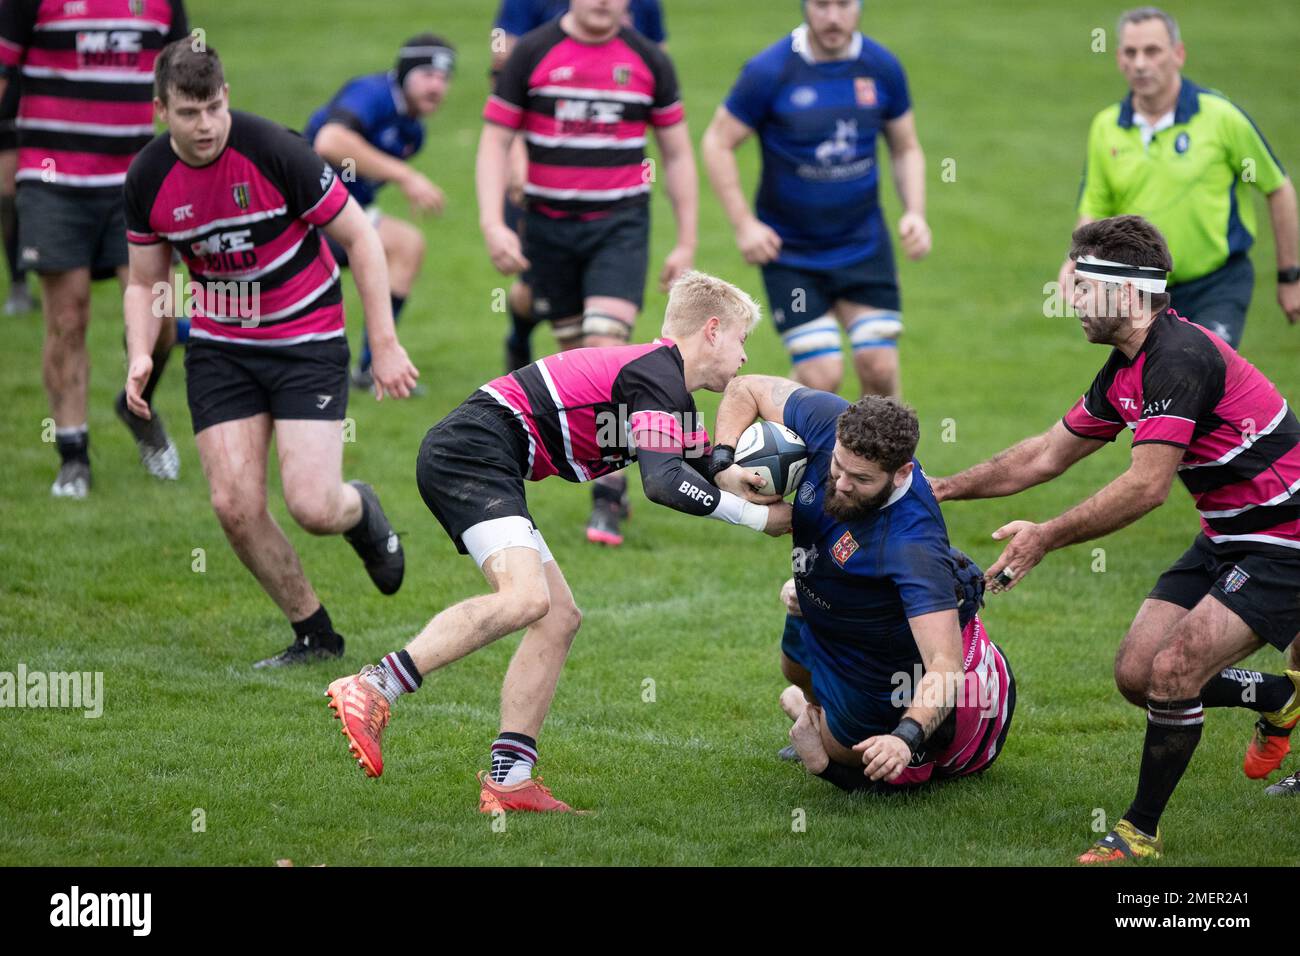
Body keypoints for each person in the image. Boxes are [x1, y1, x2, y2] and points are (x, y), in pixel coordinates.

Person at [324, 271, 791, 813]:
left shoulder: (670, 392)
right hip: (471, 451)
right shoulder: (655, 375)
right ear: (712, 330)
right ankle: (376, 685)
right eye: (741, 340)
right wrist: (759, 521)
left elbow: (704, 472)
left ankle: (510, 779)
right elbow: (664, 483)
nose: (743, 356)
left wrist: (791, 501)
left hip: (489, 456)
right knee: (526, 598)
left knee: (558, 617)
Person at [931, 216, 1300, 860]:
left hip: (1286, 539)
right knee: (1137, 675)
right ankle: (1278, 693)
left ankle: (1139, 831)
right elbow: (1045, 455)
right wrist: (943, 487)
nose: (1070, 299)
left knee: (1176, 669)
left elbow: (1146, 487)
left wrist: (1045, 535)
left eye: (1083, 286)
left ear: (1127, 294)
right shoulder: (1123, 365)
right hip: (1228, 536)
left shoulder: (1179, 359)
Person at [122, 41, 420, 669]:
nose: (204, 125)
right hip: (221, 350)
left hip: (305, 340)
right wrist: (140, 354)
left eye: (213, 107)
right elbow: (146, 281)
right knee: (233, 504)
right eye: (187, 112)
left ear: (226, 96)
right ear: (160, 111)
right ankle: (314, 633)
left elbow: (362, 239)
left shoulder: (274, 150)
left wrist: (385, 343)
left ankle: (359, 507)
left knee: (313, 506)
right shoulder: (149, 177)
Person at [712, 376, 1015, 792]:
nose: (840, 483)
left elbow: (945, 665)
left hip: (878, 659)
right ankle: (813, 711)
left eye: (861, 479)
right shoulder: (829, 422)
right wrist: (724, 463)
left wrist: (902, 738)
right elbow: (744, 387)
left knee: (846, 750)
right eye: (837, 465)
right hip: (822, 603)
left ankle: (830, 728)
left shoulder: (913, 545)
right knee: (792, 666)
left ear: (901, 473)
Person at [477, 0, 698, 548]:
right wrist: (492, 222)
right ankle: (608, 469)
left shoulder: (649, 60)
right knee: (579, 356)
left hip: (619, 225)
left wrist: (687, 237)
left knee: (606, 342)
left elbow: (675, 153)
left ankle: (609, 494)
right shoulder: (532, 51)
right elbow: (495, 140)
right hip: (548, 230)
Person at [0, 0, 190, 497]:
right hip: (52, 180)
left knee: (163, 317)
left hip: (136, 182)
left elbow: (184, 77)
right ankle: (73, 455)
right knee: (67, 317)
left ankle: (136, 407)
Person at [701, 0, 930, 400]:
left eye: (843, 5)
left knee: (879, 366)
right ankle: (806, 458)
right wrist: (744, 224)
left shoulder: (882, 67)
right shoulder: (769, 71)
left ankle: (893, 462)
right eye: (822, 5)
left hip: (863, 246)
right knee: (821, 375)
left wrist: (915, 212)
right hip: (792, 255)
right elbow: (717, 142)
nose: (833, 17)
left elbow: (905, 147)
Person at [1060, 6, 1299, 350]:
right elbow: (1095, 208)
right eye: (1131, 52)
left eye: (1152, 51)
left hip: (1217, 285)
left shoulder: (1219, 118)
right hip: (1140, 289)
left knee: (1199, 371)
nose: (1141, 63)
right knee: (1153, 391)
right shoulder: (1106, 127)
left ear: (1178, 54)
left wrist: (1290, 275)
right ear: (1119, 59)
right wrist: (1074, 265)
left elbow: (1278, 187)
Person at [487, 0, 668, 374]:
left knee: (598, 345)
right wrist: (517, 157)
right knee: (527, 294)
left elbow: (657, 79)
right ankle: (520, 336)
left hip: (616, 207)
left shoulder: (645, 11)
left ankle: (608, 427)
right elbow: (503, 65)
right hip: (541, 189)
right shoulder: (533, 33)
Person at [305, 33, 453, 392]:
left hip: (339, 214)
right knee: (247, 312)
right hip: (299, 212)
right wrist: (405, 175)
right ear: (404, 73)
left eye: (445, 78)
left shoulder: (413, 131)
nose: (437, 86)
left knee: (407, 244)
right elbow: (330, 141)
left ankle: (372, 369)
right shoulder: (371, 92)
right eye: (427, 75)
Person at [0, 55, 34, 315]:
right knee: (8, 198)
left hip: (40, 119)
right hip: (6, 125)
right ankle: (19, 284)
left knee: (49, 190)